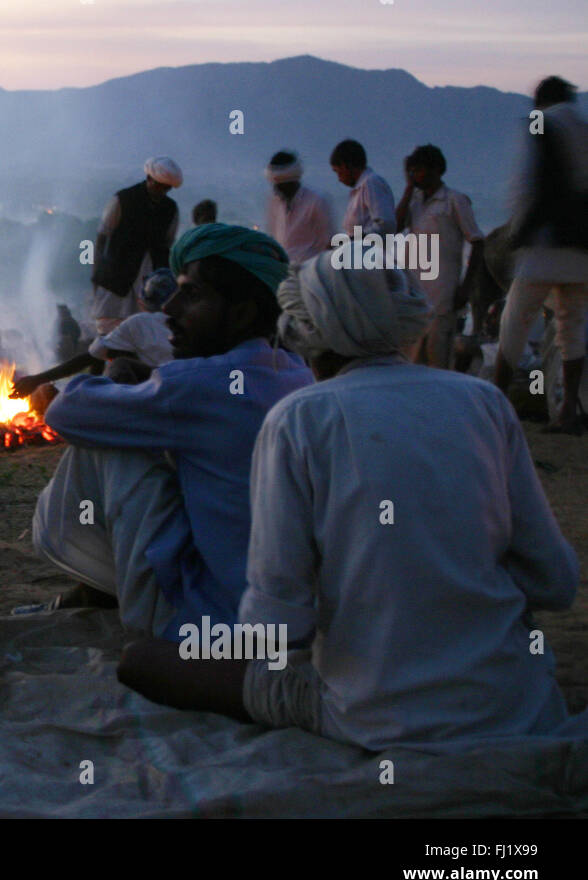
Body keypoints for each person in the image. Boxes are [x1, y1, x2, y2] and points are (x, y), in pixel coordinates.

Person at [119, 252, 582, 752]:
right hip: (516, 703)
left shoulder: (296, 418)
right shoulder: (482, 401)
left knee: (141, 661)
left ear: (303, 332)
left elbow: (278, 629)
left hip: (372, 713)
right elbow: (554, 582)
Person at [29, 225, 312, 632]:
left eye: (192, 295)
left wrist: (51, 396)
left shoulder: (195, 386)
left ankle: (107, 590)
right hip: (284, 620)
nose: (170, 309)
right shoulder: (295, 373)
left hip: (213, 620)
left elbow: (69, 413)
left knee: (108, 442)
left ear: (243, 313)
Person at [495, 75, 588, 433]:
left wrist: (517, 232)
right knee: (573, 327)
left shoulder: (539, 123)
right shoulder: (583, 127)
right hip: (581, 249)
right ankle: (568, 411)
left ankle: (496, 404)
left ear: (540, 101)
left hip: (542, 246)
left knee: (514, 323)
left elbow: (527, 183)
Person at [12, 268, 177, 398]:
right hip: (187, 390)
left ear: (142, 302)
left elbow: (89, 357)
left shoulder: (139, 322)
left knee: (119, 365)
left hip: (160, 393)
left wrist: (36, 380)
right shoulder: (191, 320)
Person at [392, 144, 486, 370]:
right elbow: (394, 227)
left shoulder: (454, 200)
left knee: (438, 362)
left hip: (442, 296)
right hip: (413, 295)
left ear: (436, 170)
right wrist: (407, 189)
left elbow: (477, 243)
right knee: (410, 362)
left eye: (420, 170)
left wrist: (466, 288)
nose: (416, 175)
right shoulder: (414, 200)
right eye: (413, 171)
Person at [91, 157, 182, 335]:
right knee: (110, 328)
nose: (162, 191)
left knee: (146, 331)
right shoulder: (122, 200)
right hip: (116, 275)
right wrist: (98, 270)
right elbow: (103, 236)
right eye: (159, 186)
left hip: (151, 278)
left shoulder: (171, 209)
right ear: (149, 179)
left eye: (166, 188)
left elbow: (167, 243)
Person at [264, 150, 333, 265]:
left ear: (292, 182)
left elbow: (328, 243)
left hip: (311, 271)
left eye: (281, 185)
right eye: (275, 184)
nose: (276, 189)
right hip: (282, 271)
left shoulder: (316, 201)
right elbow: (273, 238)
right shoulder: (274, 201)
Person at [330, 139, 396, 236]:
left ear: (346, 166)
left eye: (338, 172)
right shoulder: (359, 190)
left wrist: (357, 239)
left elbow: (386, 224)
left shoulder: (371, 183)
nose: (339, 178)